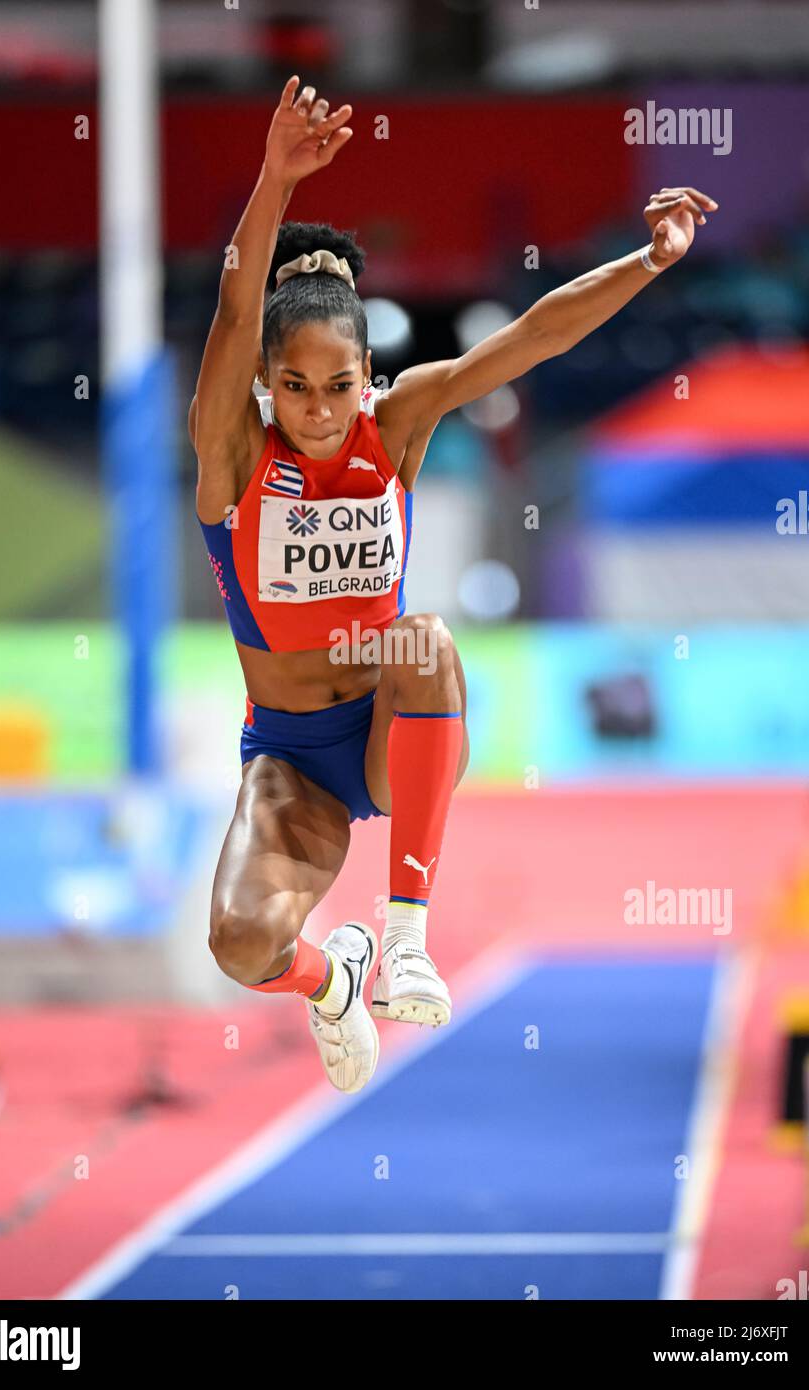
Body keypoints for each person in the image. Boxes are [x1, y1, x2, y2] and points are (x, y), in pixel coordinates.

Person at [190, 74, 717, 1094]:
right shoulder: (233, 452)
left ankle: (405, 937)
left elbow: (535, 335)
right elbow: (231, 310)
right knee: (240, 942)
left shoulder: (400, 423)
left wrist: (649, 261)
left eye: (338, 385)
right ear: (266, 384)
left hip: (399, 722)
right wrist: (273, 176)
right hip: (292, 754)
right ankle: (331, 984)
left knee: (424, 634)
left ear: (367, 377)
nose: (316, 408)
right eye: (293, 386)